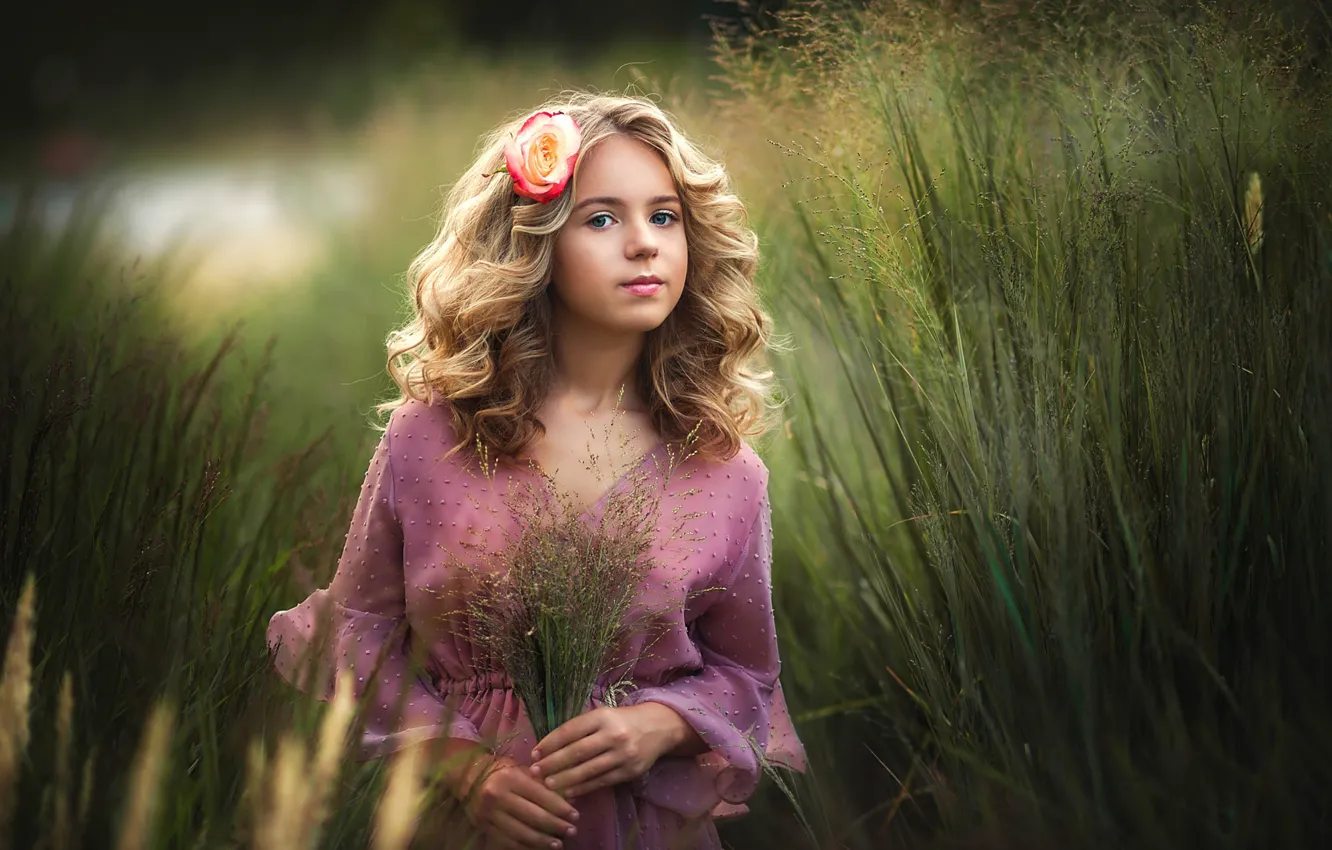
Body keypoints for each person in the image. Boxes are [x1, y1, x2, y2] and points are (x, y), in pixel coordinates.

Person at [266, 92, 807, 850]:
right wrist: (463, 767)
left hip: (644, 828)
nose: (644, 244)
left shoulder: (724, 467)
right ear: (534, 245)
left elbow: (746, 676)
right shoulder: (433, 438)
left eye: (663, 216)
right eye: (602, 219)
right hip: (463, 827)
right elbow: (359, 639)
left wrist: (659, 724)